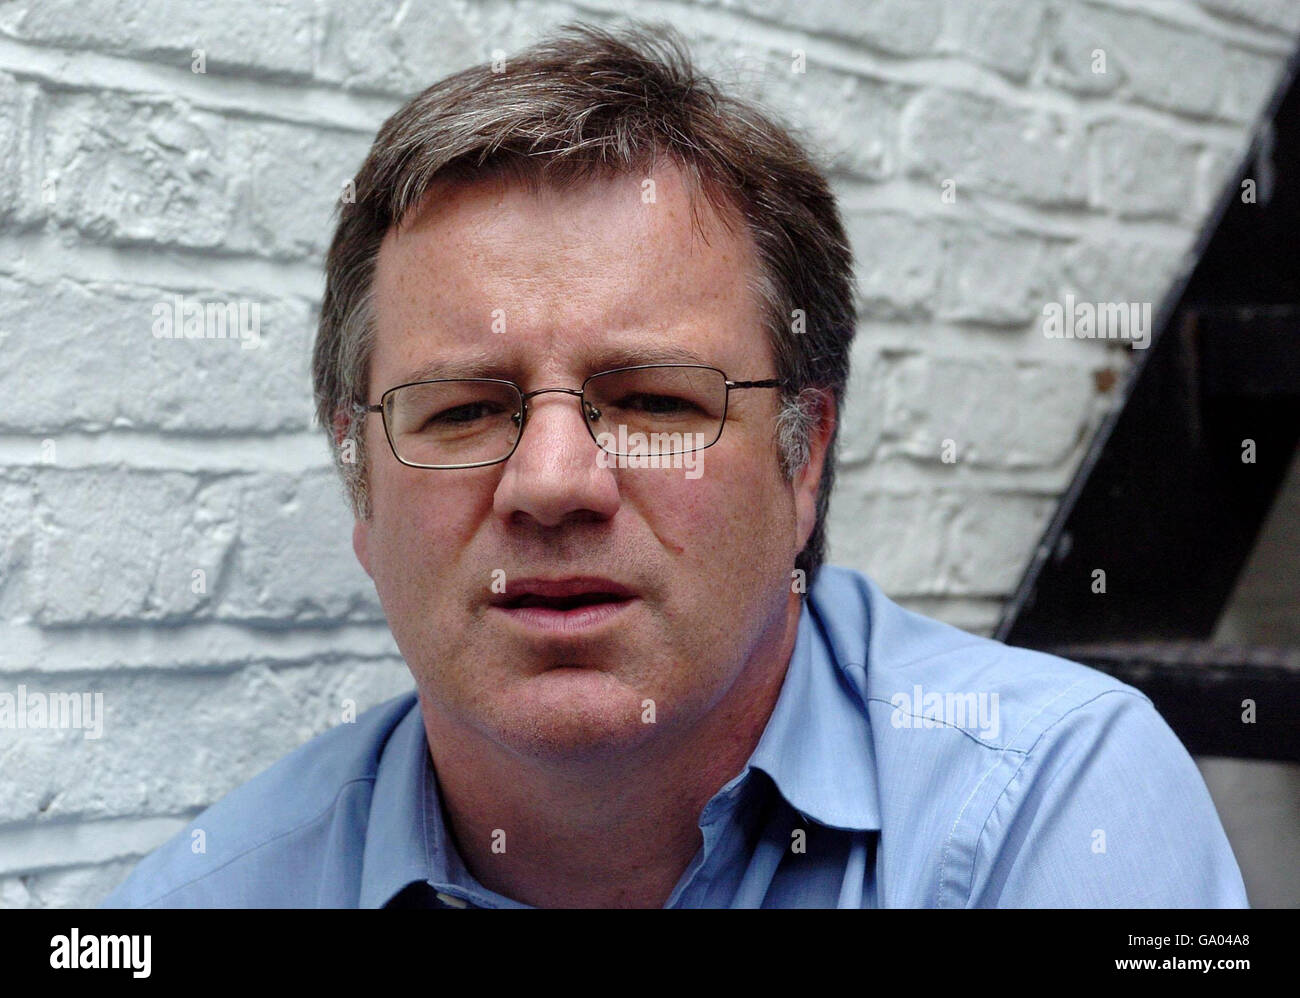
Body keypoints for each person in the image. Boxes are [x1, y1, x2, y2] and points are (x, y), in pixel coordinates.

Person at [104, 22, 1248, 908]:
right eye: (463, 410)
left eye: (654, 400)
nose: (552, 482)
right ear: (361, 486)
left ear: (803, 461)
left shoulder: (1051, 802)